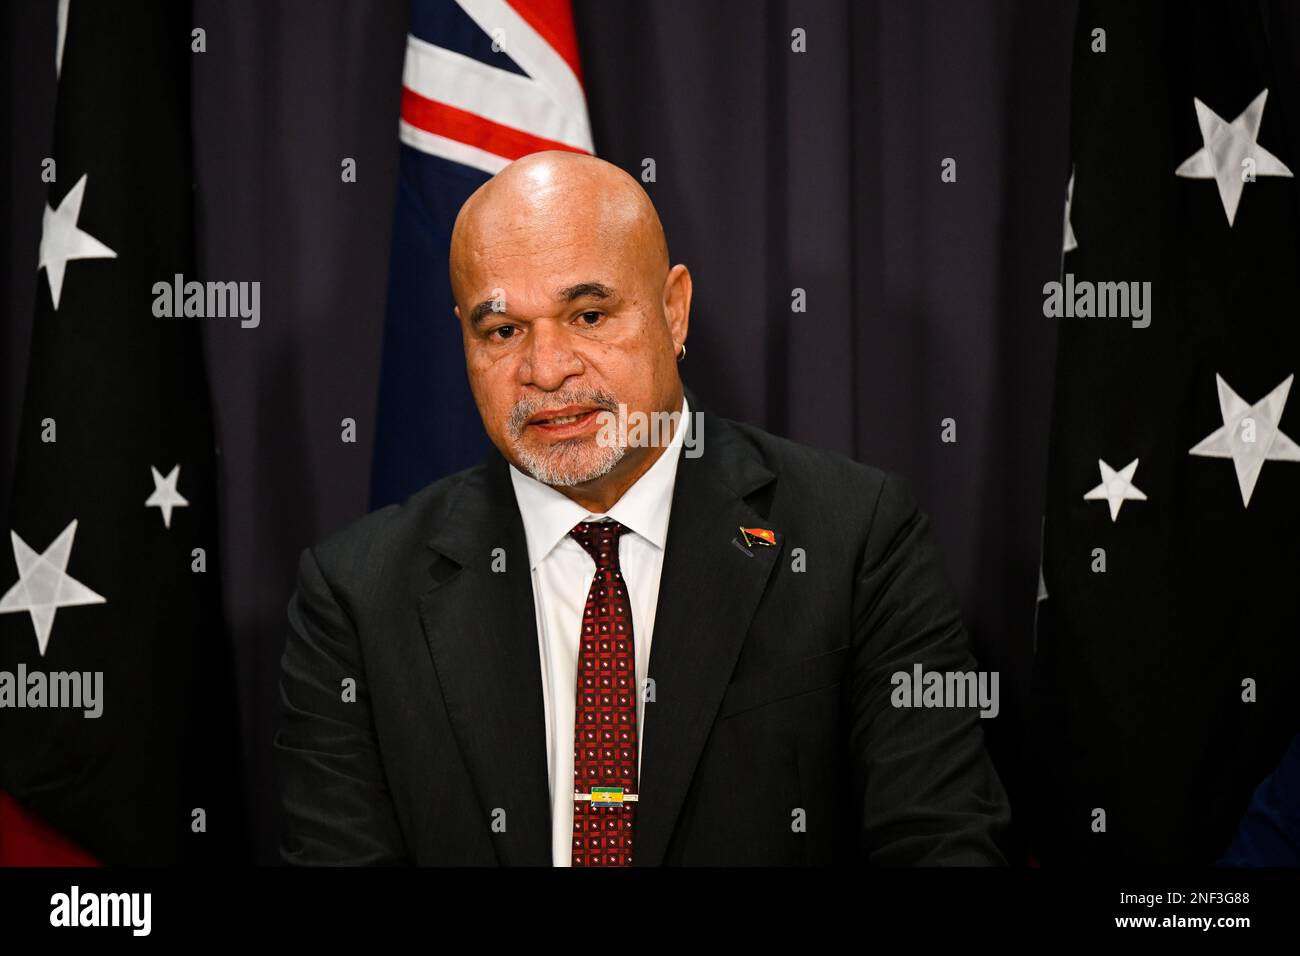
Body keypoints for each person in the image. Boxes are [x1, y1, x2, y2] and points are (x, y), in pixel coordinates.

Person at [275, 151, 1010, 866]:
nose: (546, 370)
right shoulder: (356, 595)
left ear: (674, 309)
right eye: (503, 331)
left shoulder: (857, 538)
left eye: (589, 315)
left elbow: (940, 839)